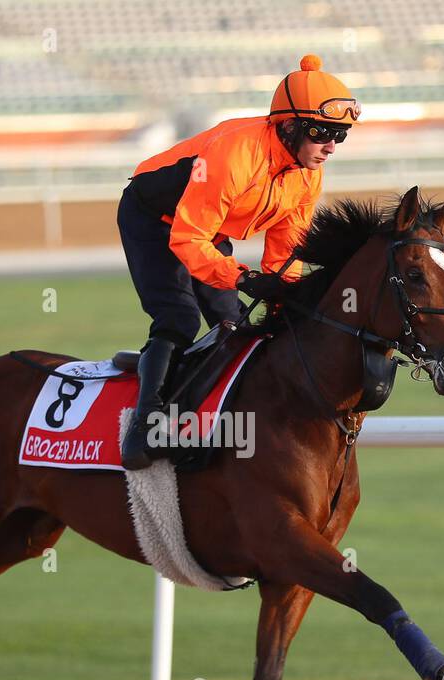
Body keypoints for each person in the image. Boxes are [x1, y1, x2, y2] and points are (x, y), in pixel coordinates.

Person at [116, 53, 361, 470]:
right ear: (290, 126)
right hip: (155, 221)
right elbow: (188, 238)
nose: (331, 147)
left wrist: (286, 304)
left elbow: (286, 252)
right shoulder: (236, 155)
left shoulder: (307, 173)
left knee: (237, 328)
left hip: (207, 231)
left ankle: (216, 420)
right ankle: (145, 426)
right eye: (324, 132)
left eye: (341, 135)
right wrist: (244, 279)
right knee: (178, 317)